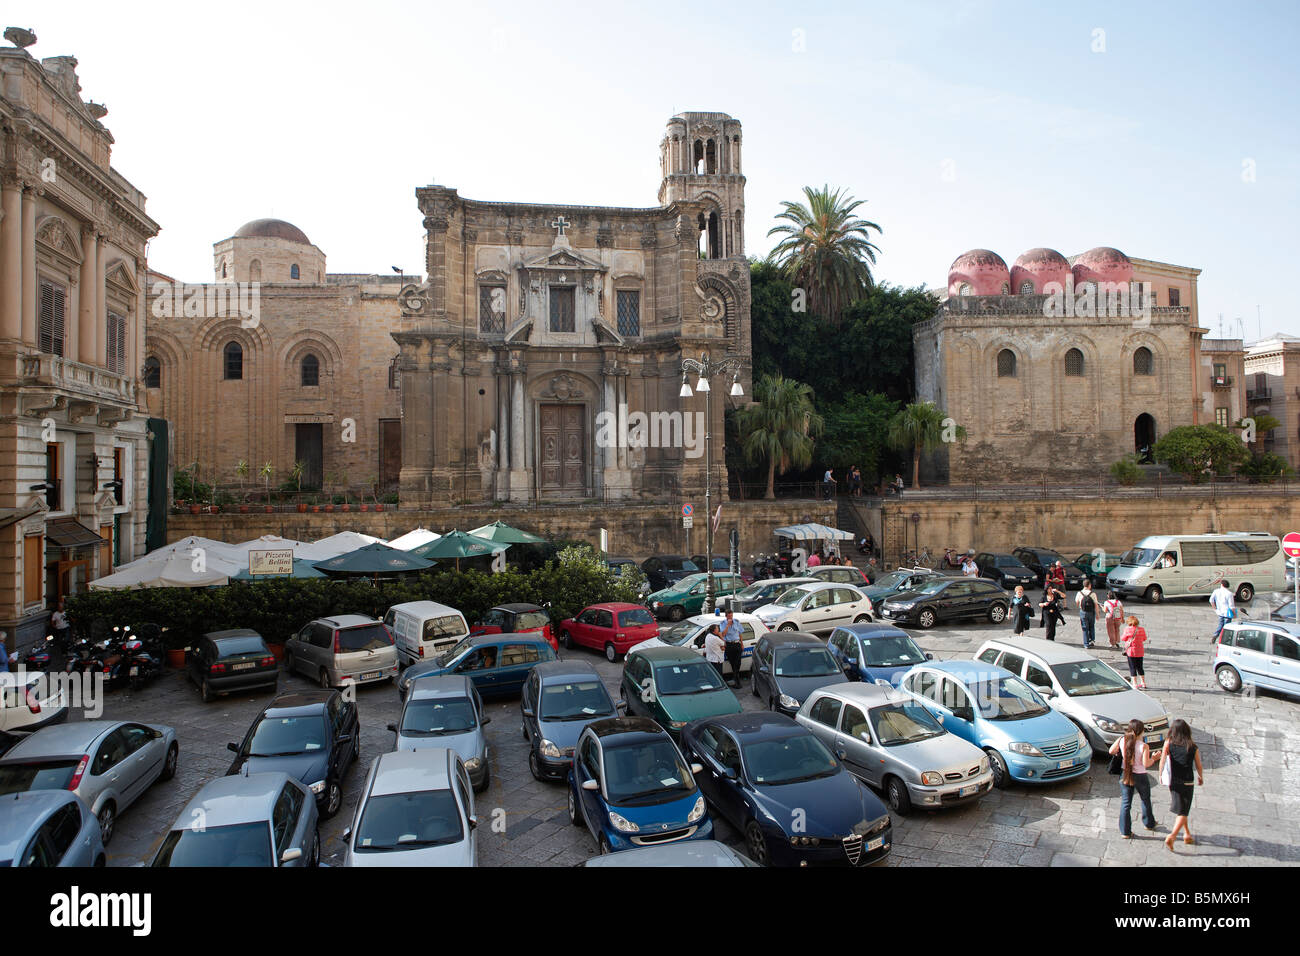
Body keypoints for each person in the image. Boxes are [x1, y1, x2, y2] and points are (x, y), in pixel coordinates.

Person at [1108, 719, 1158, 839]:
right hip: (1140, 776)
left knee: (1126, 803)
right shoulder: (1143, 746)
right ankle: (1149, 823)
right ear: (1141, 731)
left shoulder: (1122, 740)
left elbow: (1111, 751)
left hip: (1125, 774)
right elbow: (1146, 763)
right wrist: (1155, 758)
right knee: (1145, 799)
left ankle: (1125, 831)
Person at [1160, 719, 1204, 851]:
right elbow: (1198, 765)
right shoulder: (1192, 746)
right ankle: (1172, 836)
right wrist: (1201, 777)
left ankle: (1187, 834)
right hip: (1187, 782)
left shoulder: (1168, 743)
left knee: (1181, 809)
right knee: (1183, 811)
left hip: (1173, 781)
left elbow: (1162, 760)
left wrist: (1161, 775)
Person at [1120, 614, 1149, 689]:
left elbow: (1123, 638)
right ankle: (1143, 683)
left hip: (1131, 651)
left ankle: (1135, 684)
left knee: (1132, 667)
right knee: (1140, 667)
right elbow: (1144, 638)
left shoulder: (1127, 629)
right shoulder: (1141, 629)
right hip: (1140, 651)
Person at [718, 608, 745, 688]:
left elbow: (740, 633)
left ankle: (736, 680)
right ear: (726, 617)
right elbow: (723, 634)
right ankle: (737, 682)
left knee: (738, 663)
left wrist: (742, 644)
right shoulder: (723, 623)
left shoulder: (736, 622)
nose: (731, 618)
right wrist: (728, 625)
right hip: (729, 645)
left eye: (731, 616)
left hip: (737, 644)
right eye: (729, 616)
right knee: (733, 664)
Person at [1075, 581, 1101, 648]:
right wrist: (1097, 614)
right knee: (1091, 626)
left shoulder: (1079, 593)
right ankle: (1092, 640)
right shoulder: (1093, 594)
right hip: (1091, 612)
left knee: (1085, 628)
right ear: (1089, 585)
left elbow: (1077, 602)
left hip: (1083, 612)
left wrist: (1080, 607)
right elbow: (1096, 605)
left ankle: (1086, 644)